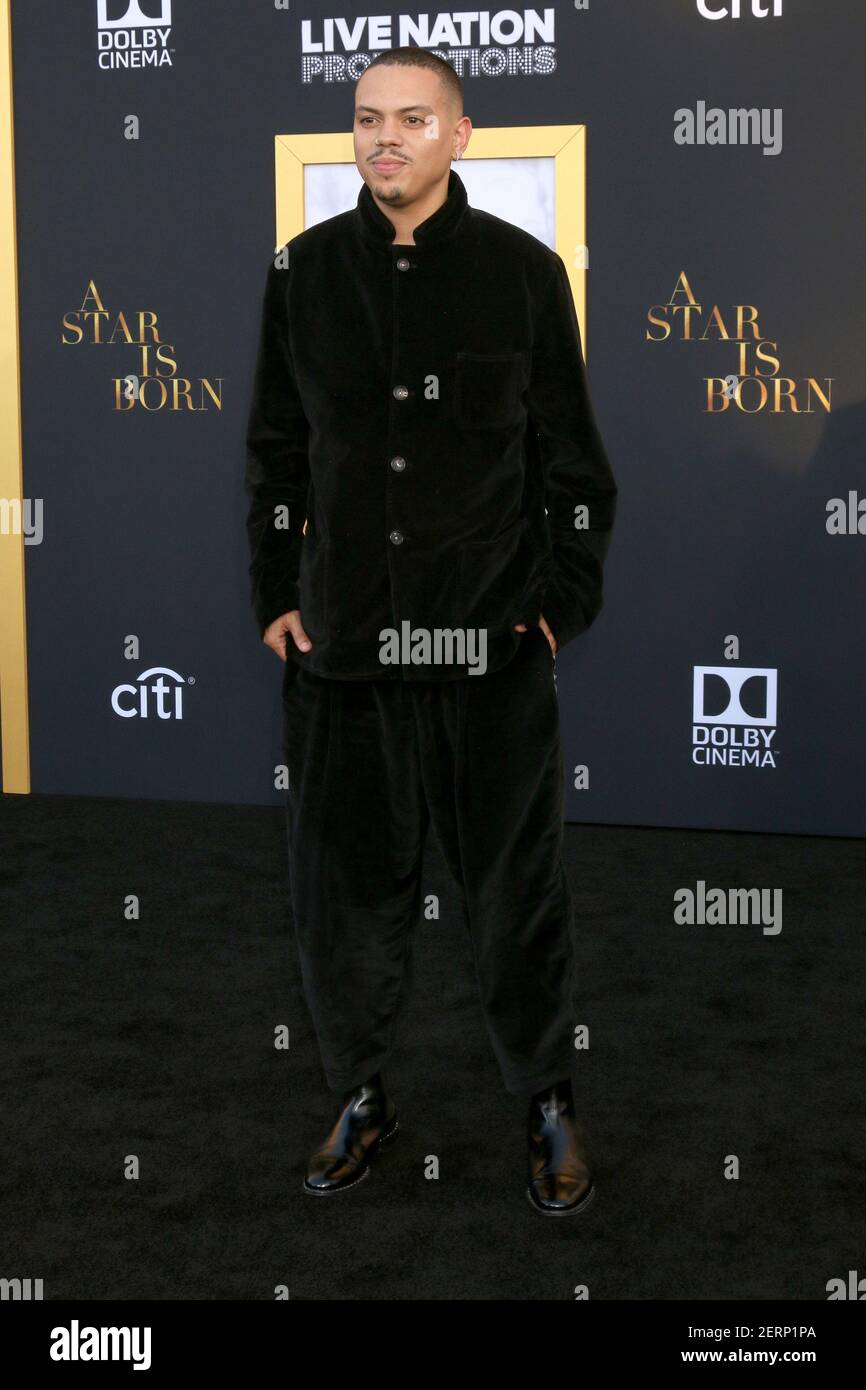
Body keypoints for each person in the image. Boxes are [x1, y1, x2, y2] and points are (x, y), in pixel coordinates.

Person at [244, 47, 617, 1215]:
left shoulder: (520, 274)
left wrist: (557, 603)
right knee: (345, 896)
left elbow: (571, 467)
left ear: (460, 135)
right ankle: (360, 1093)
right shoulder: (300, 273)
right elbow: (276, 455)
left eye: (412, 119)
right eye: (366, 120)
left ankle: (546, 1097)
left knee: (514, 890)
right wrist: (275, 590)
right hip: (345, 654)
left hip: (487, 649)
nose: (385, 139)